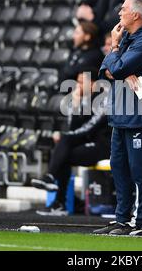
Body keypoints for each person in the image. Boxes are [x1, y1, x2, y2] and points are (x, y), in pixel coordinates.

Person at [94, 0, 142, 236]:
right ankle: (122, 219)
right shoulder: (130, 38)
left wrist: (114, 49)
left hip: (140, 114)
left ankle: (138, 222)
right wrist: (120, 68)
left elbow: (118, 68)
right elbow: (106, 71)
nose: (119, 13)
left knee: (137, 169)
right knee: (119, 167)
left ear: (136, 14)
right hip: (121, 113)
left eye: (123, 9)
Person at [32, 69, 111, 216]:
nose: (79, 85)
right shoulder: (84, 99)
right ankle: (57, 198)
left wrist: (66, 136)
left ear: (94, 83)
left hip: (105, 146)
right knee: (64, 152)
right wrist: (75, 104)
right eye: (78, 82)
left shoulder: (104, 98)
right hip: (89, 143)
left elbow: (89, 128)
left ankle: (53, 185)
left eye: (82, 82)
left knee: (64, 147)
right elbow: (74, 127)